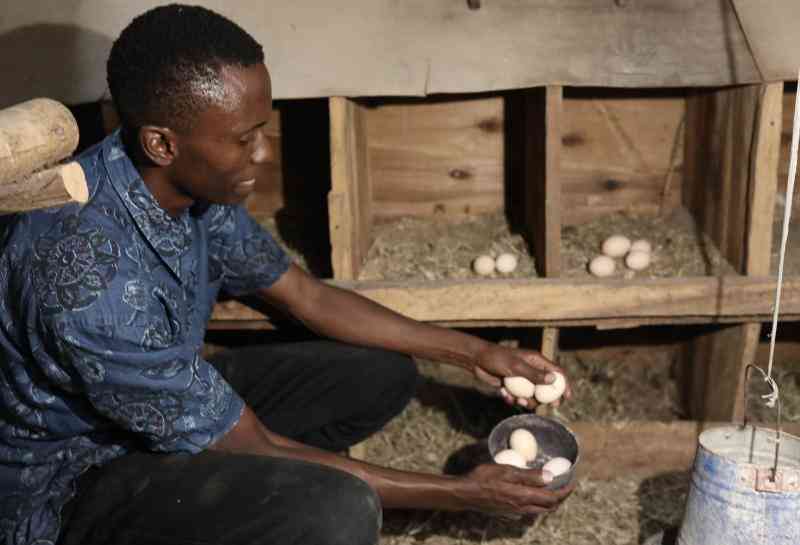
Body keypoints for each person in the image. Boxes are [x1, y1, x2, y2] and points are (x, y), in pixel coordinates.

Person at [0, 5, 573, 545]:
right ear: (162, 142)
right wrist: (462, 495)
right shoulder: (85, 276)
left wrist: (475, 353)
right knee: (337, 509)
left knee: (379, 373)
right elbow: (252, 444)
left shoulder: (187, 187)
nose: (263, 153)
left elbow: (304, 296)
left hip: (163, 407)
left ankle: (263, 501)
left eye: (261, 129)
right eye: (243, 139)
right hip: (77, 477)